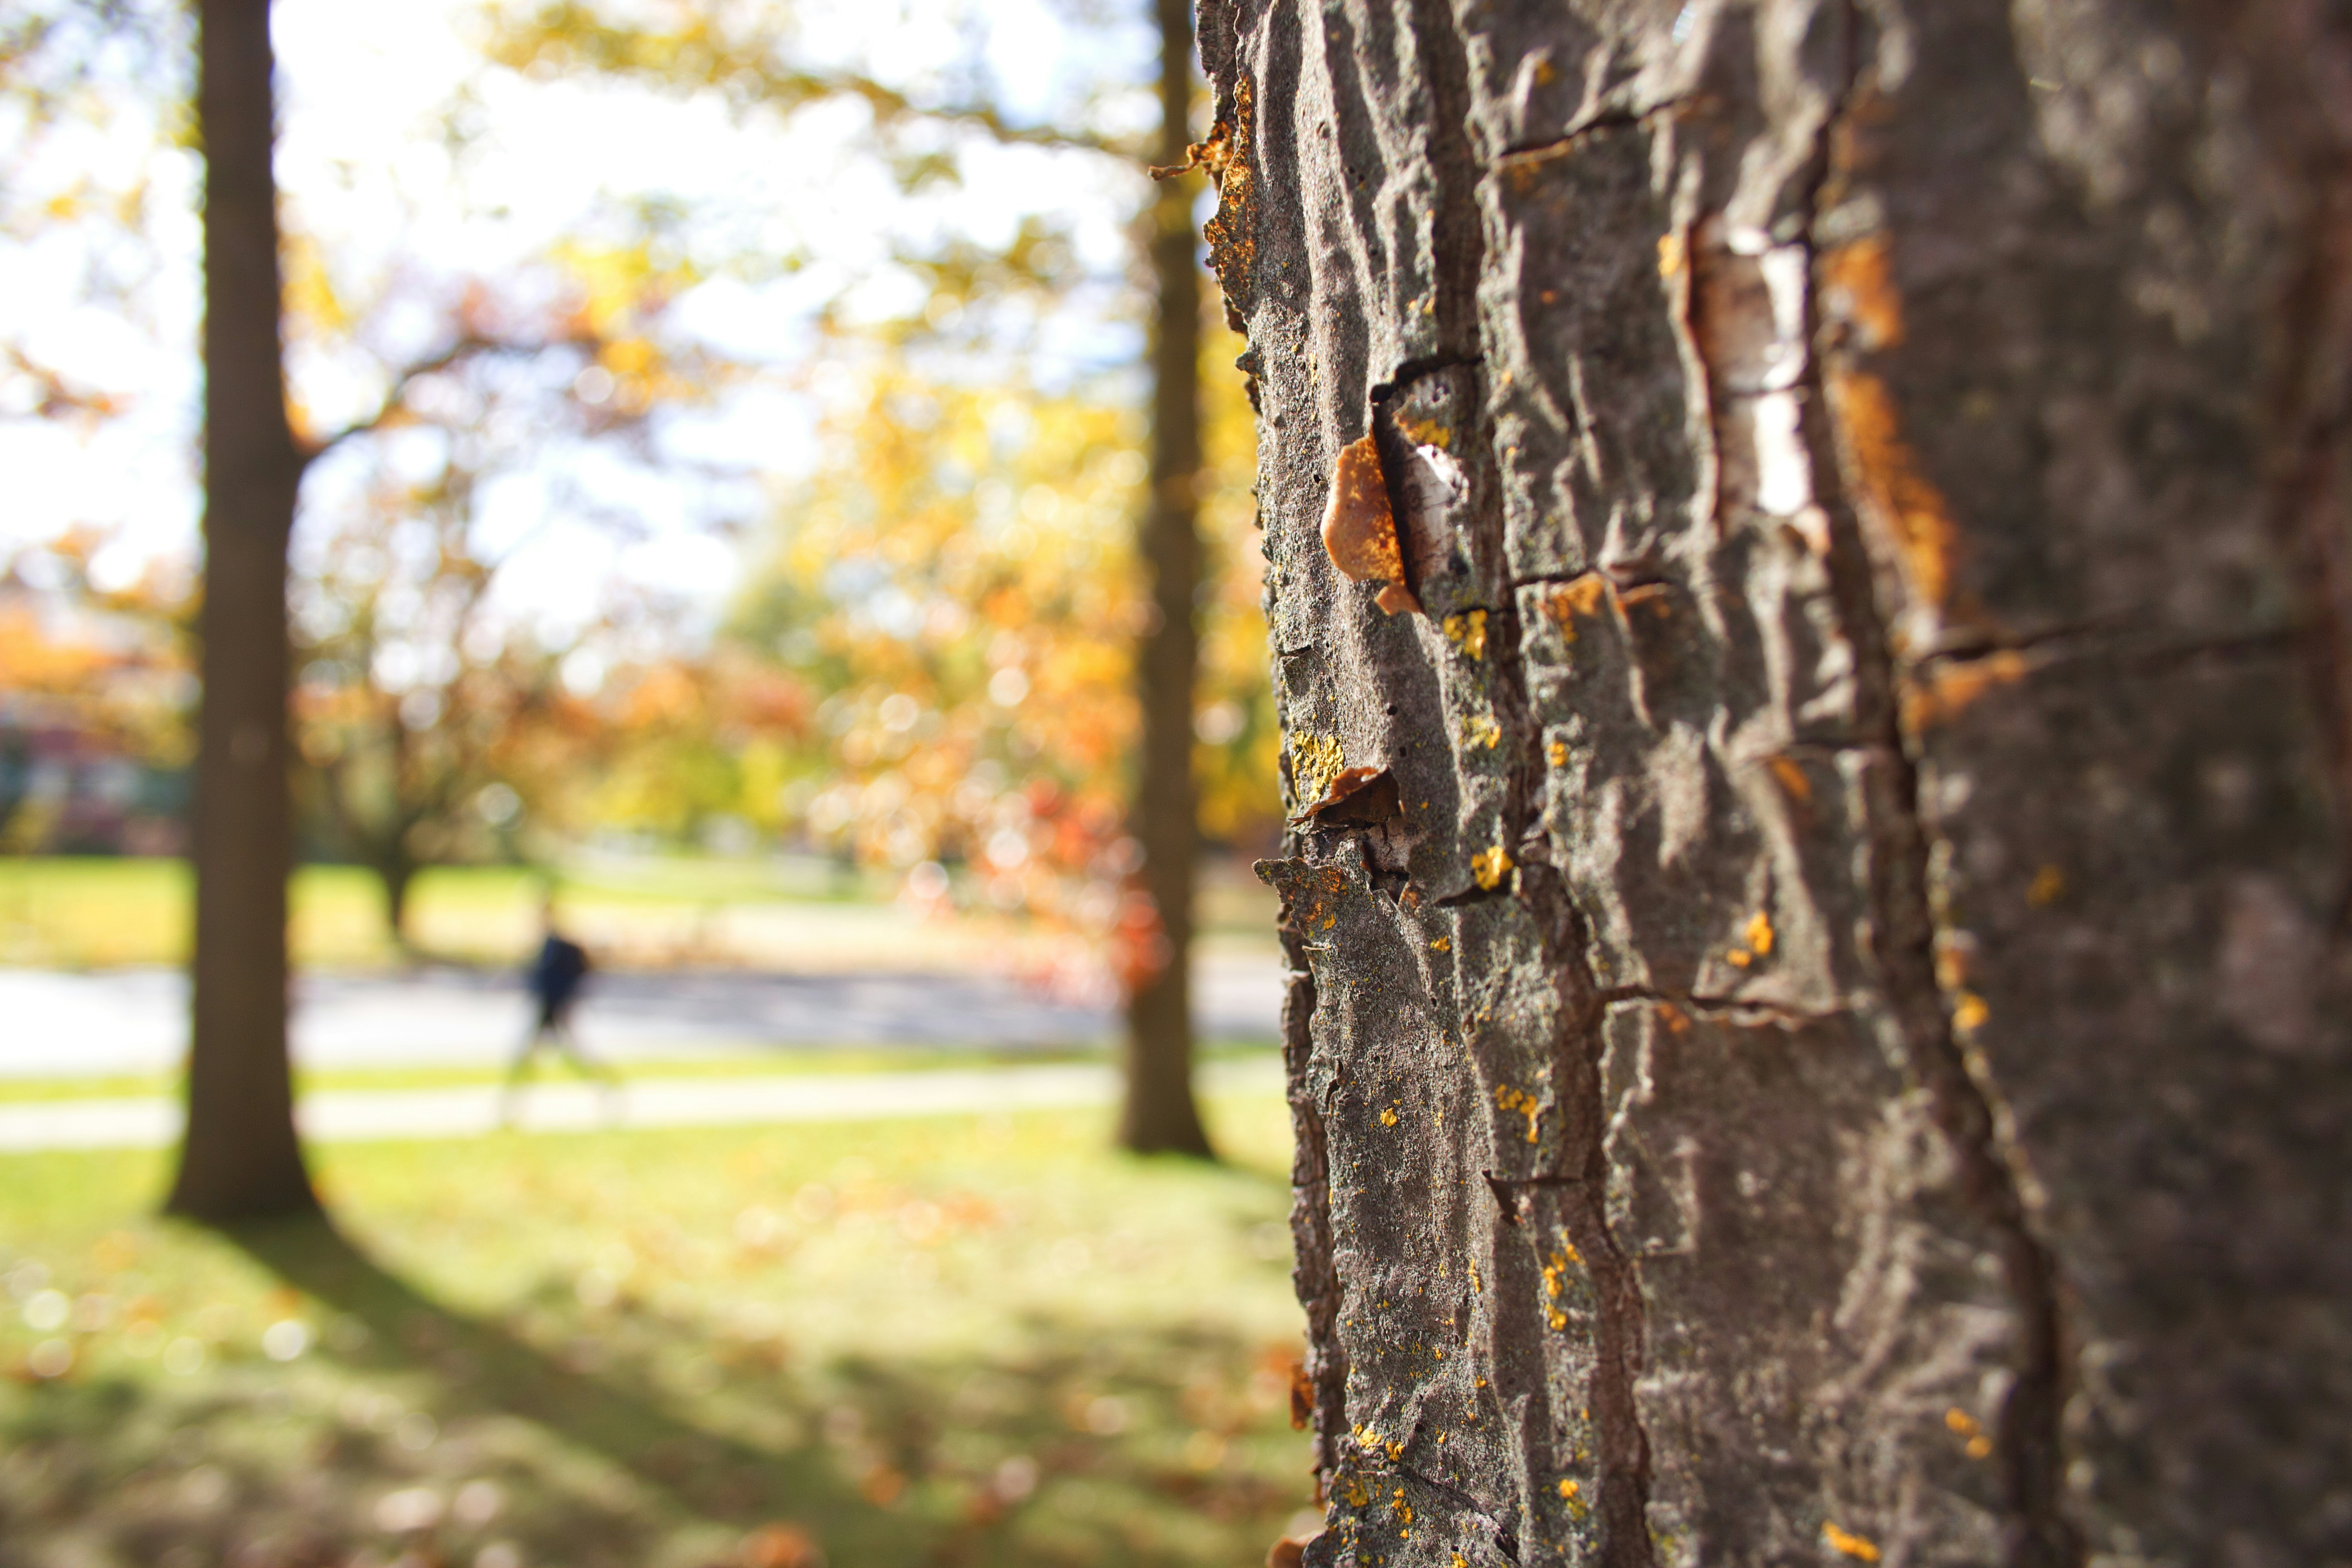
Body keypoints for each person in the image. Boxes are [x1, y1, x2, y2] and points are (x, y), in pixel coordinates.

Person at [501, 897, 622, 1126]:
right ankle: (512, 1106)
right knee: (529, 1058)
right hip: (544, 1009)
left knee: (569, 1056)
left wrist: (568, 1001)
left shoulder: (562, 946)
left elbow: (576, 974)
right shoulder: (544, 945)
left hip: (555, 1009)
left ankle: (606, 1087)